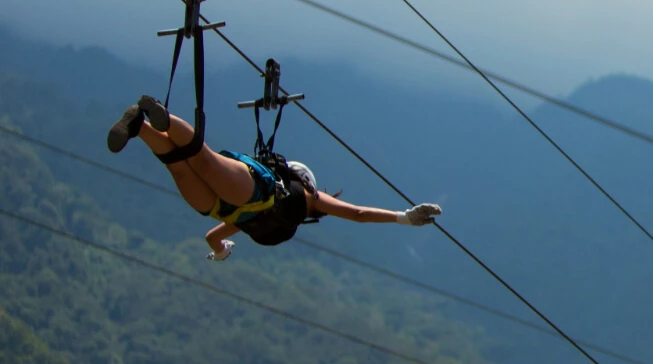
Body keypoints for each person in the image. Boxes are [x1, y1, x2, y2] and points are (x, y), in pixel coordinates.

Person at [107, 94, 442, 261]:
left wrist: (222, 250)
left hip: (228, 208)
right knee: (194, 162)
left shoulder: (279, 210)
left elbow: (212, 238)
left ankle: (143, 125)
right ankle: (158, 122)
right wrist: (403, 218)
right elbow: (357, 213)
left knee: (187, 162)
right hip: (241, 198)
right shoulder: (307, 197)